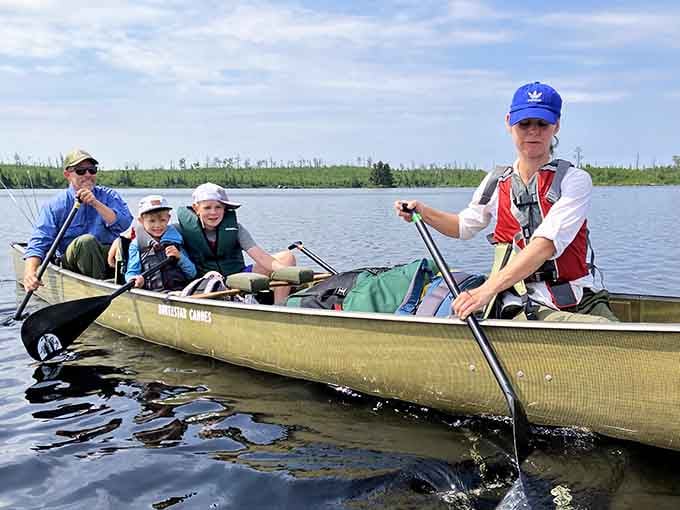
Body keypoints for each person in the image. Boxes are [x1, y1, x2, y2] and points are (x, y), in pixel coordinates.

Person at [396, 81, 617, 322]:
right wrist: (424, 212)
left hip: (577, 294)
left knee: (615, 330)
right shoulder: (495, 182)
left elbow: (546, 244)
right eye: (524, 124)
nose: (533, 131)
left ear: (557, 126)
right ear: (509, 123)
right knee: (603, 330)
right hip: (524, 299)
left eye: (542, 124)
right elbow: (462, 226)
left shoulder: (574, 180)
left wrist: (485, 289)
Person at [23, 149, 133, 292]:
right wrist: (30, 273)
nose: (88, 174)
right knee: (86, 242)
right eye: (80, 171)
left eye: (92, 170)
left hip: (108, 257)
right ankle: (98, 291)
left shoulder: (109, 195)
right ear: (67, 175)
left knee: (131, 243)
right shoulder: (55, 205)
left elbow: (125, 223)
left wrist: (96, 203)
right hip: (74, 263)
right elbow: (39, 242)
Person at [177, 182, 296, 303]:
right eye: (207, 207)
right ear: (196, 208)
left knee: (287, 257)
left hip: (237, 276)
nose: (213, 212)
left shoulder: (236, 229)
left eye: (218, 207)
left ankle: (279, 306)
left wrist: (287, 272)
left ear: (225, 208)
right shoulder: (180, 230)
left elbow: (260, 256)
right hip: (207, 282)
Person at [125, 195, 196, 290]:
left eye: (162, 220)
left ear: (168, 218)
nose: (157, 225)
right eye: (152, 221)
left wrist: (180, 257)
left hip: (178, 291)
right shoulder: (137, 245)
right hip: (153, 293)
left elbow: (192, 273)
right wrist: (134, 280)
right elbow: (131, 272)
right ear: (141, 221)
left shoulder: (176, 242)